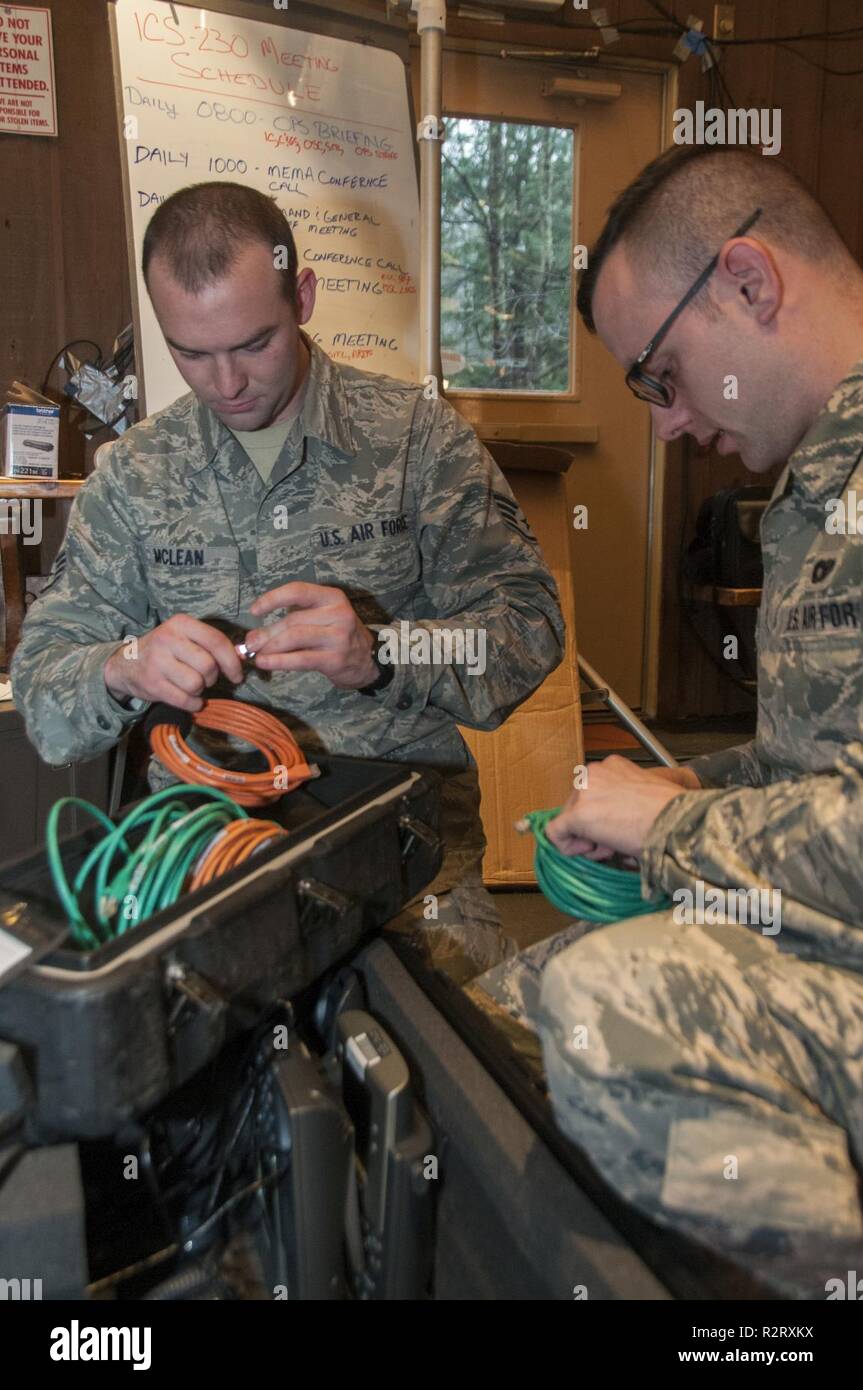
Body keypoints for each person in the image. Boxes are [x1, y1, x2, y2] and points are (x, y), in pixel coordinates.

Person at [474, 145, 863, 1298]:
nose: (664, 423)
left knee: (610, 1012)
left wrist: (670, 833)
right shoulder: (818, 485)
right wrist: (694, 789)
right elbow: (819, 763)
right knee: (504, 1012)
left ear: (746, 280)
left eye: (660, 375)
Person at [10, 181, 564, 984]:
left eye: (254, 343)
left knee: (450, 1045)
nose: (226, 383)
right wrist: (124, 665)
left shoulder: (415, 441)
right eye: (191, 353)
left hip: (400, 854)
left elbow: (527, 630)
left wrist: (383, 653)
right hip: (204, 852)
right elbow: (43, 693)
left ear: (300, 297)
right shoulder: (133, 475)